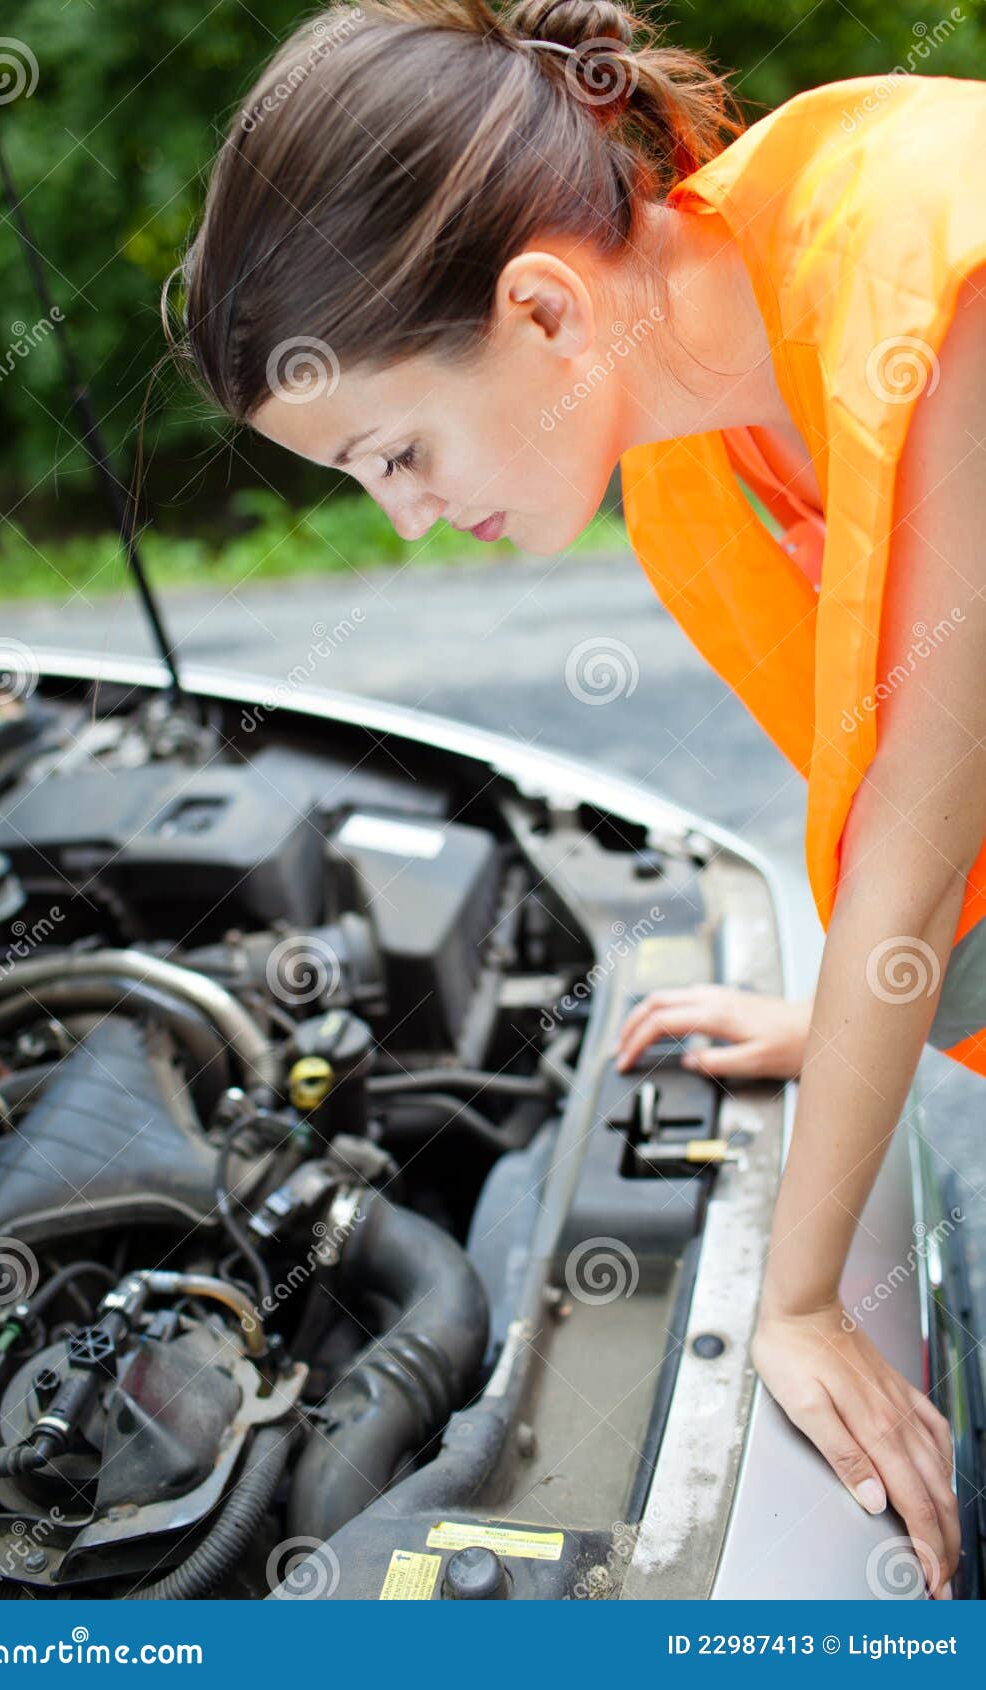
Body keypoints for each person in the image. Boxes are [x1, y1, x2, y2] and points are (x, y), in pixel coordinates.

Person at [166, 0, 986, 1597]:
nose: (405, 518)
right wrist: (848, 1023)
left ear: (540, 309)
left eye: (394, 451)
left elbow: (926, 812)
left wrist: (800, 1297)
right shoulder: (719, 427)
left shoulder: (932, 271)